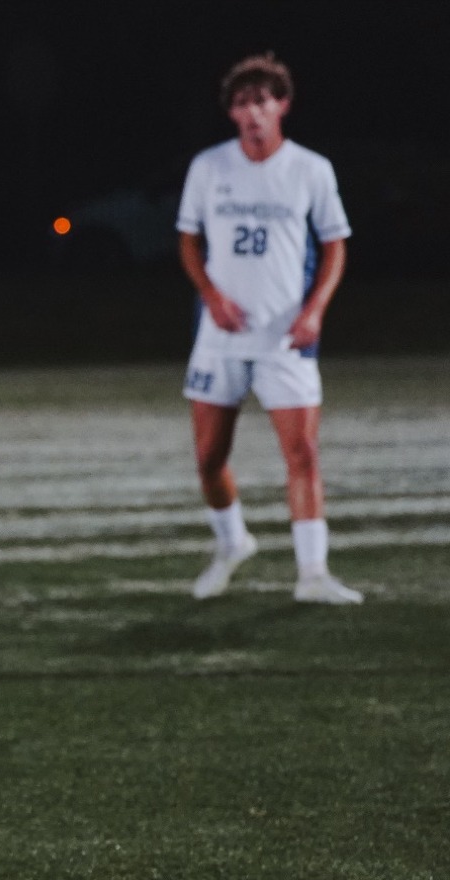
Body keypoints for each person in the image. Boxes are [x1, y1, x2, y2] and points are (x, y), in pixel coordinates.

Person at [177, 54, 359, 604]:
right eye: (241, 103)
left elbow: (334, 246)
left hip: (287, 336)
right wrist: (211, 296)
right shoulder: (209, 167)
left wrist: (315, 310)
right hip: (220, 335)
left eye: (262, 101)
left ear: (282, 105)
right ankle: (233, 543)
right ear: (231, 113)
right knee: (209, 458)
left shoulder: (311, 169)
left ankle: (313, 574)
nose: (252, 112)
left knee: (302, 453)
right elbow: (188, 240)